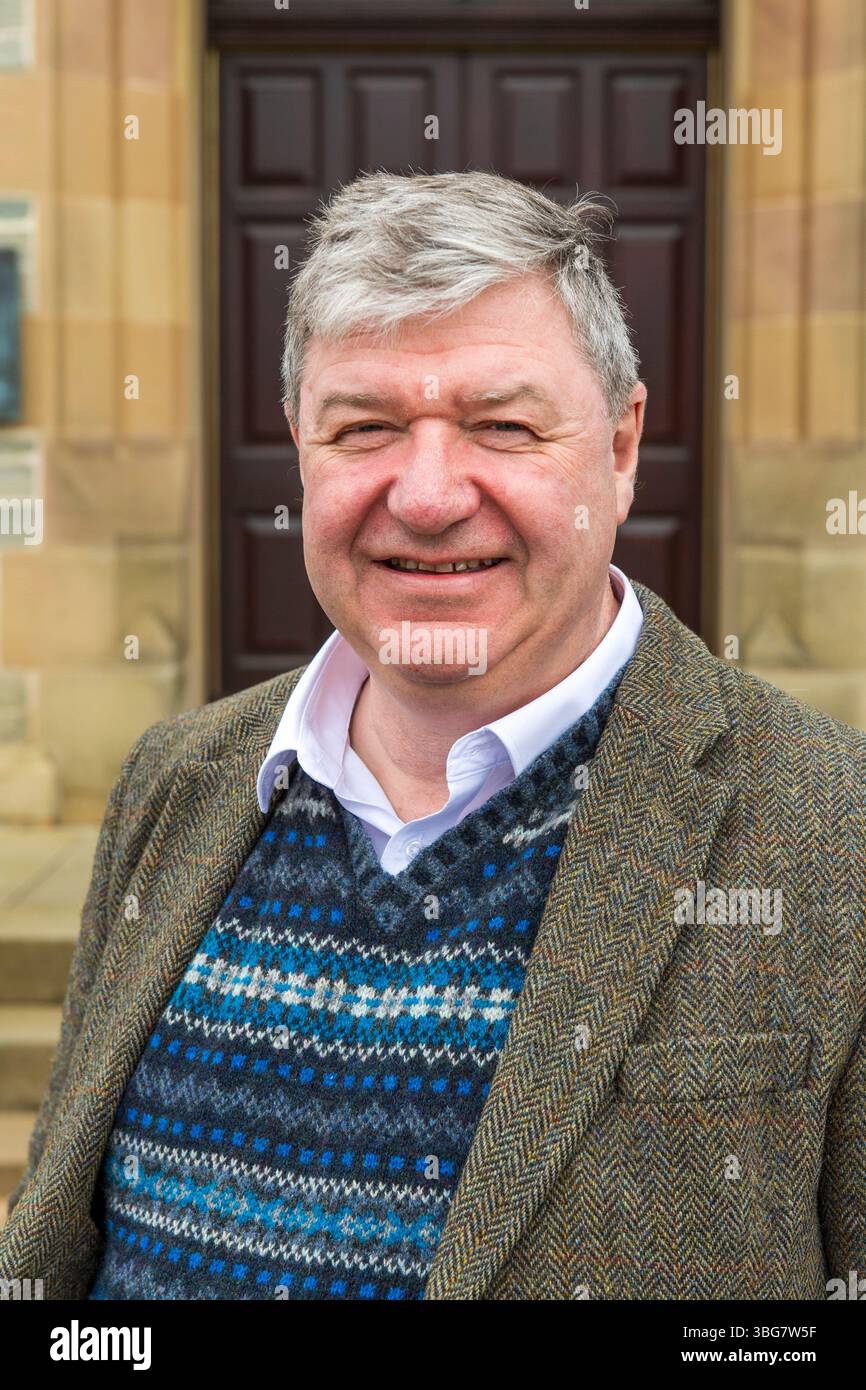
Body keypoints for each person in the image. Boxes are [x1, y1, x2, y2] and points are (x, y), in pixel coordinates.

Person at [2, 171, 864, 1301]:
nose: (423, 494)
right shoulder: (178, 781)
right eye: (362, 429)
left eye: (500, 426)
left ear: (617, 445)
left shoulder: (828, 829)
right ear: (301, 450)